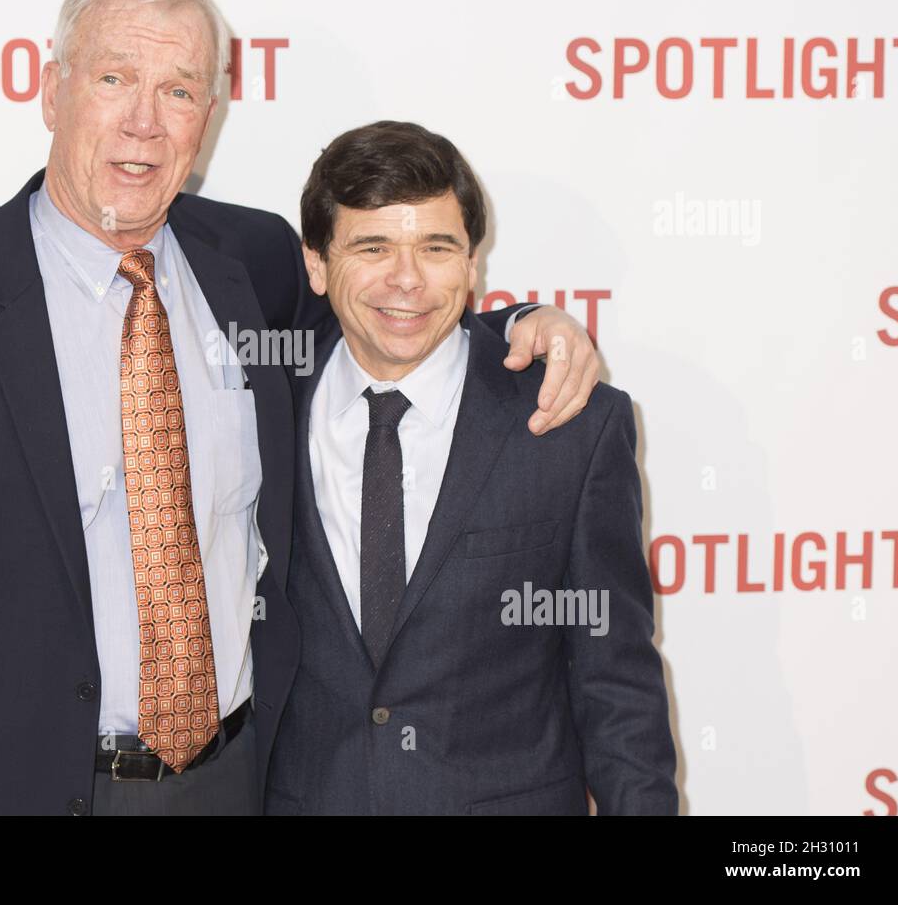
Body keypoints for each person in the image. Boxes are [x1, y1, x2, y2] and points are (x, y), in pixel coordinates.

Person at [0, 0, 601, 816]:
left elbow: (386, 321)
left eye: (179, 91)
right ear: (50, 90)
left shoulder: (252, 262)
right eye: (115, 79)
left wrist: (516, 322)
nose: (144, 122)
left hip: (234, 778)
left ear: (207, 119)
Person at [265, 120, 678, 815]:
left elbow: (617, 683)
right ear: (316, 264)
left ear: (472, 264)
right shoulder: (258, 400)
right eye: (372, 246)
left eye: (437, 247)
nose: (407, 279)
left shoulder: (568, 422)